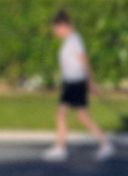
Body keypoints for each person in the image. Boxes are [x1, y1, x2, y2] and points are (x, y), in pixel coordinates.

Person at [45, 9, 113, 161]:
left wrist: (90, 81)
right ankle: (104, 144)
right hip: (70, 82)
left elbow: (84, 60)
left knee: (63, 114)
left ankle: (60, 148)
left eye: (56, 29)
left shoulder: (74, 40)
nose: (55, 32)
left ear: (64, 26)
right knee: (81, 116)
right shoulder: (69, 40)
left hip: (76, 82)